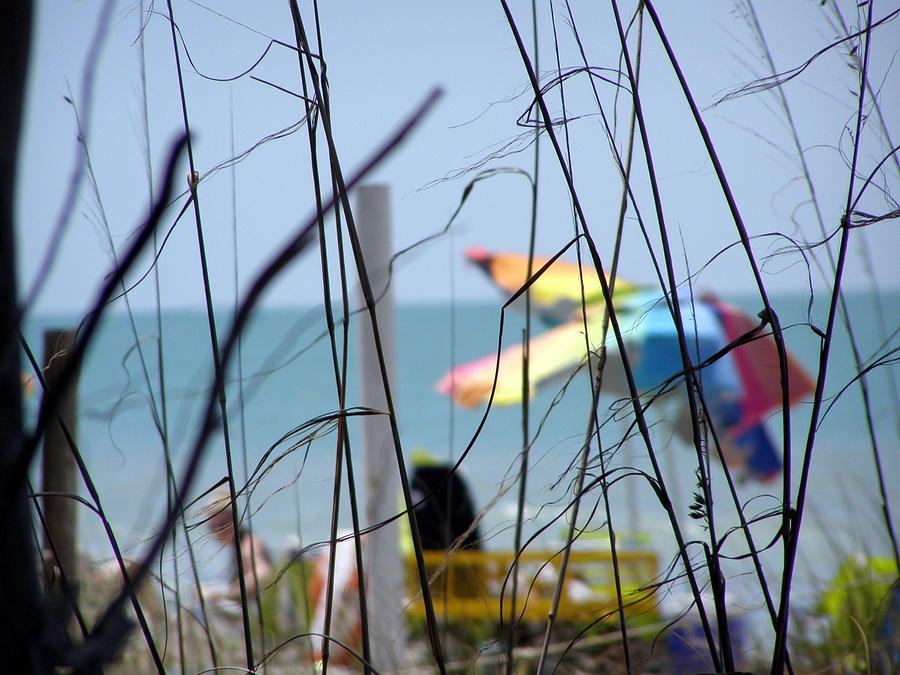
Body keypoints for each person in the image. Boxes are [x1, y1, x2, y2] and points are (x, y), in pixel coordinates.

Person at [205, 490, 273, 598]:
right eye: (214, 528)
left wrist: (226, 592)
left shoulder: (248, 543)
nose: (219, 532)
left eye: (222, 525)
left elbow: (263, 573)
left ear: (234, 519)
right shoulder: (235, 546)